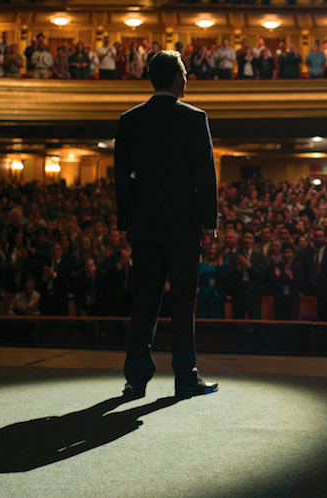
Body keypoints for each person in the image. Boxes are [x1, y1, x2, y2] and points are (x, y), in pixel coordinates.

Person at [114, 50, 219, 400]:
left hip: (145, 224)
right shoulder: (194, 118)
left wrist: (126, 222)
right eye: (185, 73)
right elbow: (205, 174)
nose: (187, 78)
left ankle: (136, 377)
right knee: (183, 300)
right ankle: (185, 375)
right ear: (176, 79)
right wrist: (210, 221)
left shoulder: (130, 120)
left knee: (144, 300)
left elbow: (122, 178)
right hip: (184, 225)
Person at [197, 243, 226, 319]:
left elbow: (222, 276)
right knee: (203, 315)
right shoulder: (202, 263)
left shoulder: (222, 264)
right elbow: (198, 275)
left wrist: (220, 261)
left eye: (215, 249)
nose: (212, 251)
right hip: (204, 293)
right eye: (210, 249)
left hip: (216, 293)